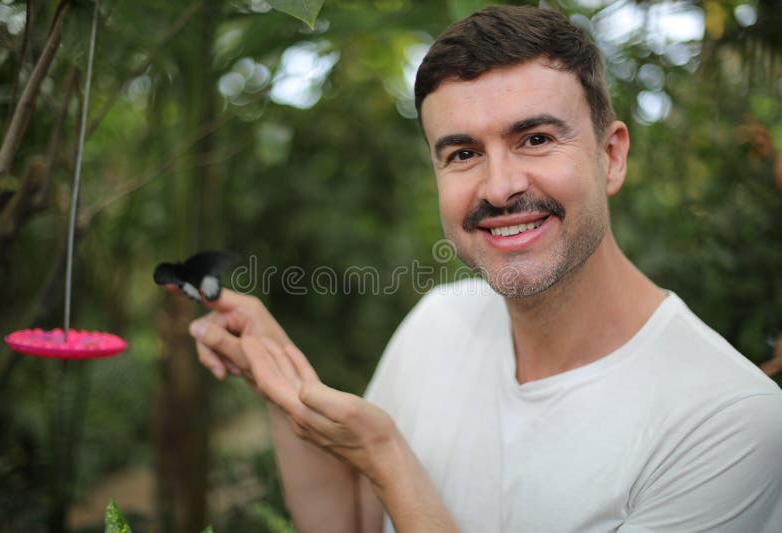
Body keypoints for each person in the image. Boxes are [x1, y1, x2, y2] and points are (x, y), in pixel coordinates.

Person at [179, 5, 782, 532]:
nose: (499, 187)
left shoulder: (728, 421)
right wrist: (284, 385)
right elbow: (353, 523)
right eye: (463, 154)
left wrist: (388, 457)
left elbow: (389, 478)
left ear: (611, 156)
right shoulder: (437, 322)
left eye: (536, 139)